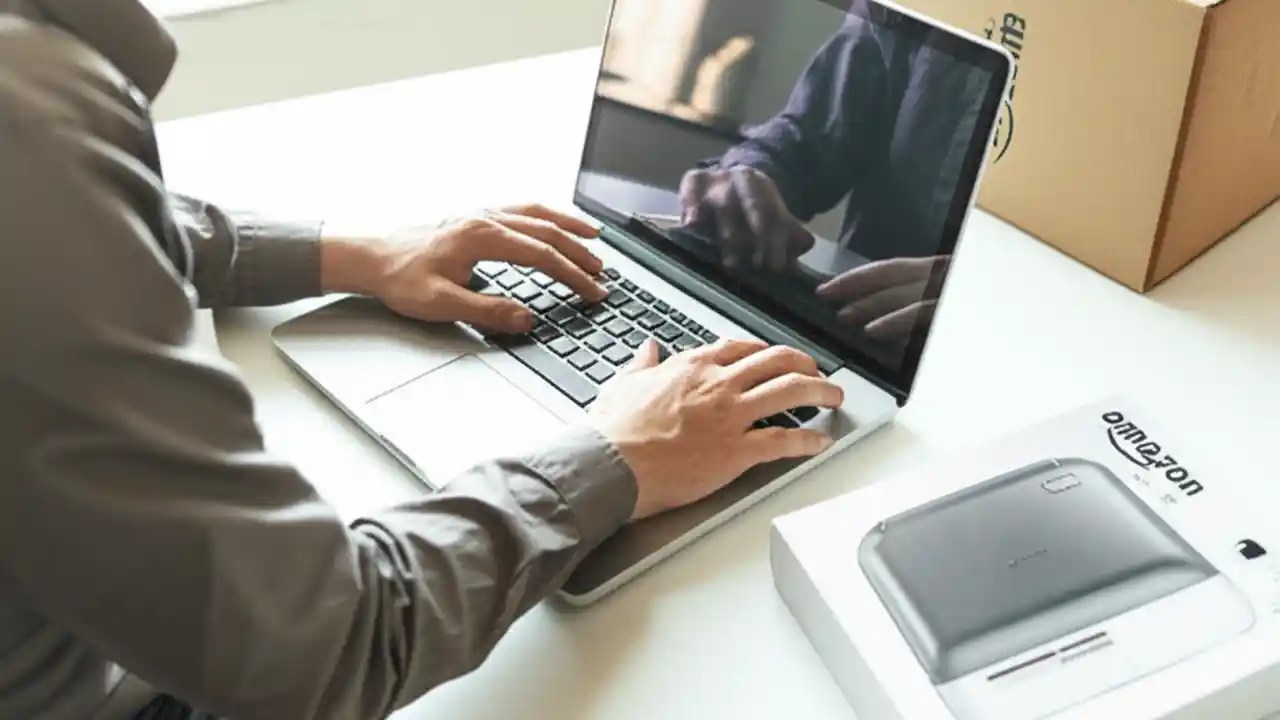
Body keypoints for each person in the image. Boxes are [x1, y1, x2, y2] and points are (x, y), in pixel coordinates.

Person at [0, 1, 846, 718]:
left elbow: (78, 225)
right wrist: (615, 457)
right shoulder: (28, 114)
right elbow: (327, 646)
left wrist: (350, 253)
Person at [677, 0, 990, 349]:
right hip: (851, 334)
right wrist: (748, 174)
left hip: (992, 355)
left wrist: (984, 294)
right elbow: (814, 133)